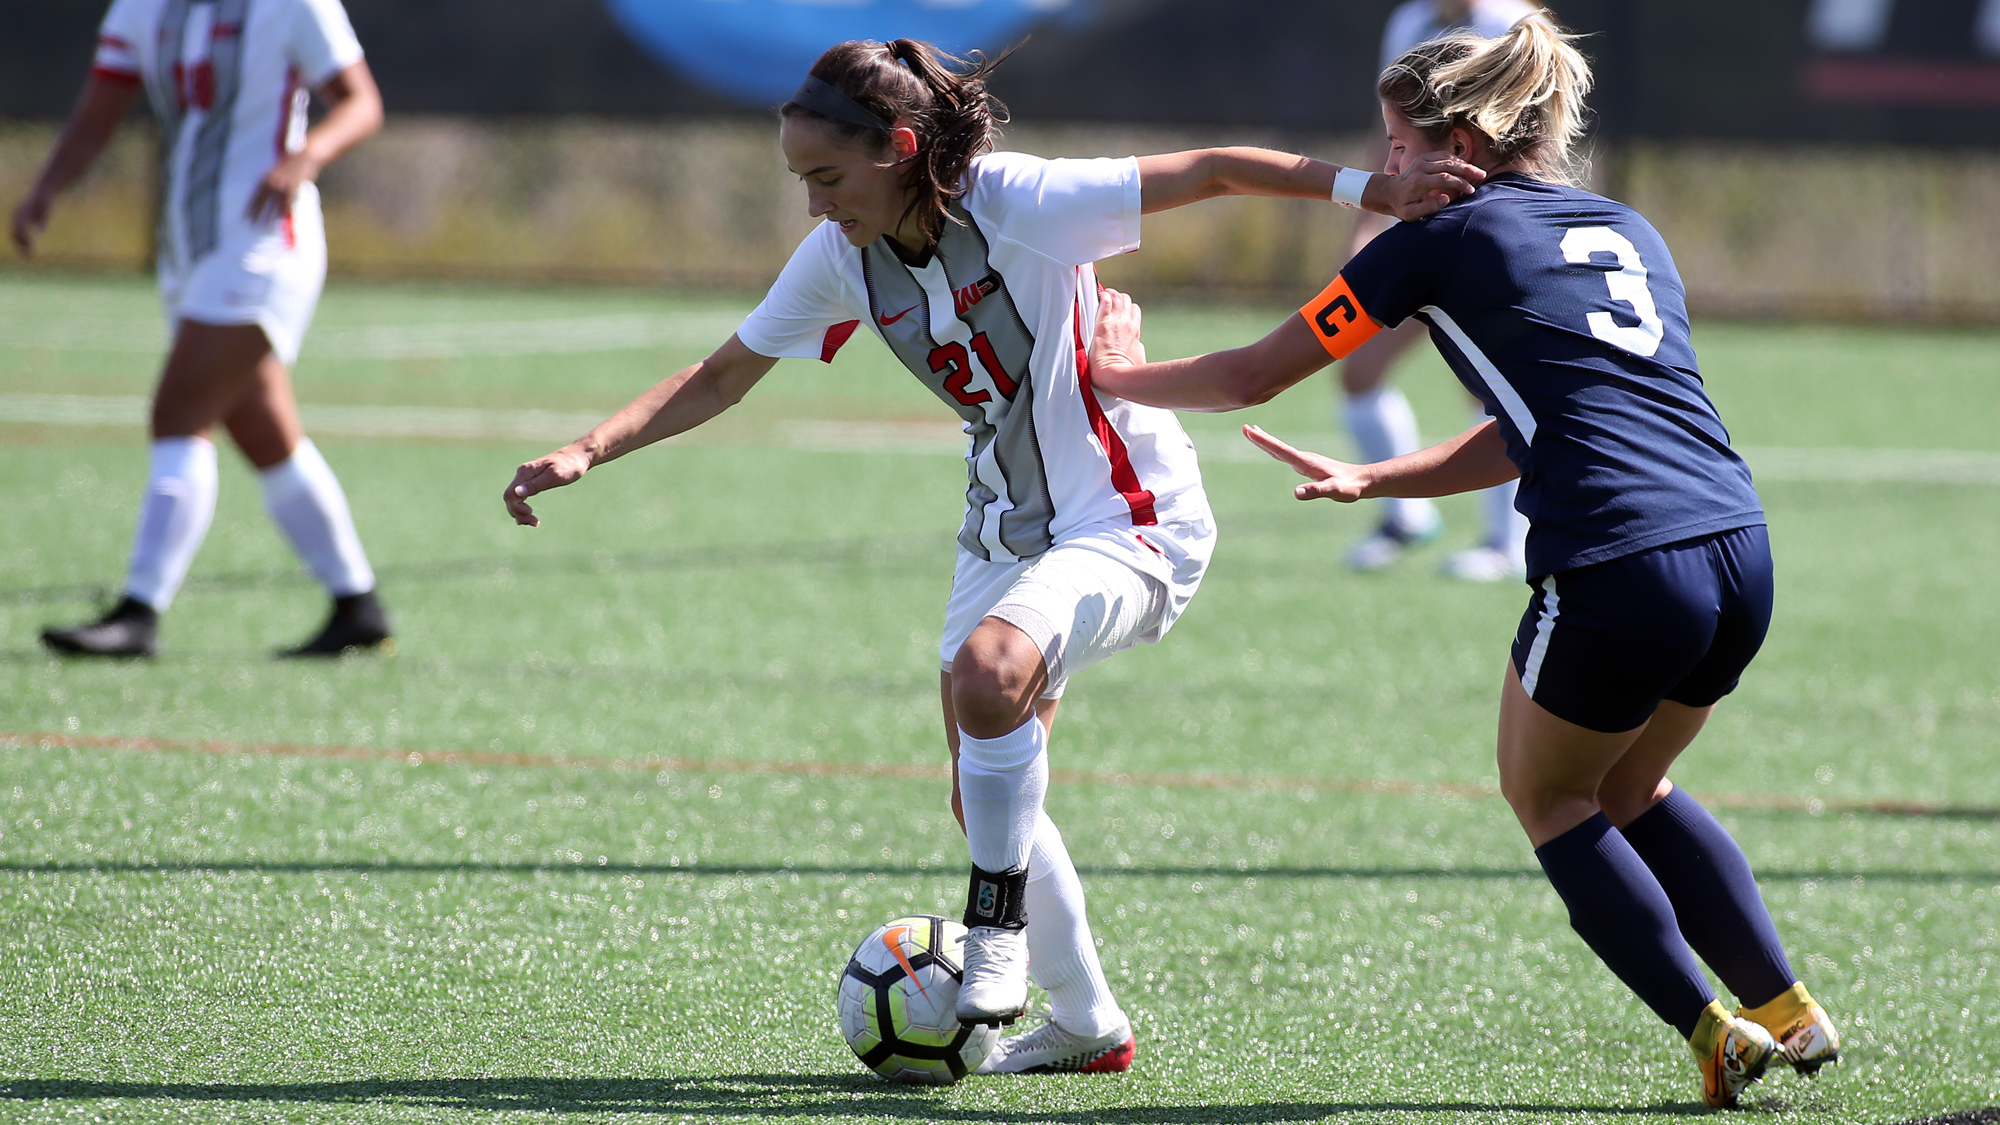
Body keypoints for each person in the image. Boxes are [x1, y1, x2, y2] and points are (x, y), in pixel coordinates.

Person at [502, 39, 1479, 1075]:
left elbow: (1208, 169)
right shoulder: (841, 255)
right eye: (799, 182)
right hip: (1002, 530)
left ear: (901, 149)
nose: (810, 205)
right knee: (980, 791)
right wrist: (587, 447)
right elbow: (721, 374)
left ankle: (996, 935)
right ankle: (1089, 1023)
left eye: (825, 178)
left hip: (1129, 518)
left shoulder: (1015, 199)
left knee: (989, 673)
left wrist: (1372, 187)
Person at [1085, 19, 1840, 1107]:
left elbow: (1253, 374)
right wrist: (1379, 479)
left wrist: (1118, 372)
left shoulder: (1431, 241)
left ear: (1461, 143)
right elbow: (1540, 423)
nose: (1383, 168)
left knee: (1551, 801)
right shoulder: (1626, 227)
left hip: (1619, 565)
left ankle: (1712, 1032)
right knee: (1633, 784)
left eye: (1394, 145)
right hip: (1736, 551)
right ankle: (1788, 1011)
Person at [14, 0, 392, 658]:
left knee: (178, 411)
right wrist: (47, 187)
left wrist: (309, 155)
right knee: (263, 433)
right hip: (189, 248)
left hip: (265, 242)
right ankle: (357, 604)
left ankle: (139, 611)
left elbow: (362, 103)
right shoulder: (143, 8)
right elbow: (99, 111)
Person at [1337, 0, 1540, 580]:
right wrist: (1365, 220)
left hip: (1486, 235)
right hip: (1426, 230)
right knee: (1358, 373)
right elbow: (1393, 134)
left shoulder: (1511, 22)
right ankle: (1406, 517)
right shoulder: (1410, 22)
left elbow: (1529, 142)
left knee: (1486, 386)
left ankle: (1508, 541)